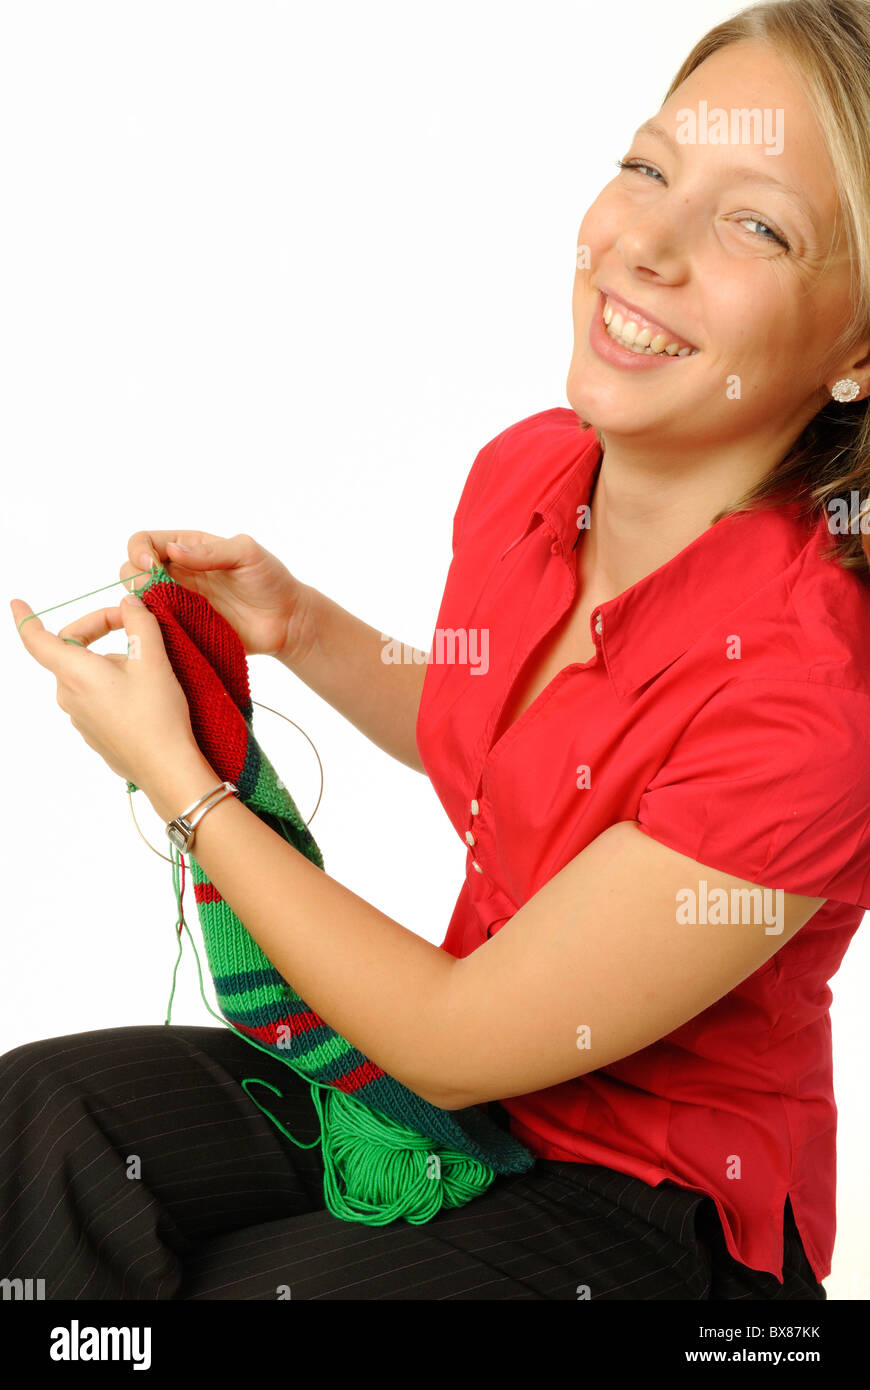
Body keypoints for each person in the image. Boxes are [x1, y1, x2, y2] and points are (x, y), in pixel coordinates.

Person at [5, 0, 870, 1299]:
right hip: (454, 1104)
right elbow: (510, 737)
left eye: (756, 223)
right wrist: (301, 628)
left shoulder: (816, 699)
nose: (643, 241)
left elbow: (457, 1038)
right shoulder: (533, 474)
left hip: (654, 1211)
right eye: (647, 167)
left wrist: (188, 790)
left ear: (856, 349)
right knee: (42, 1127)